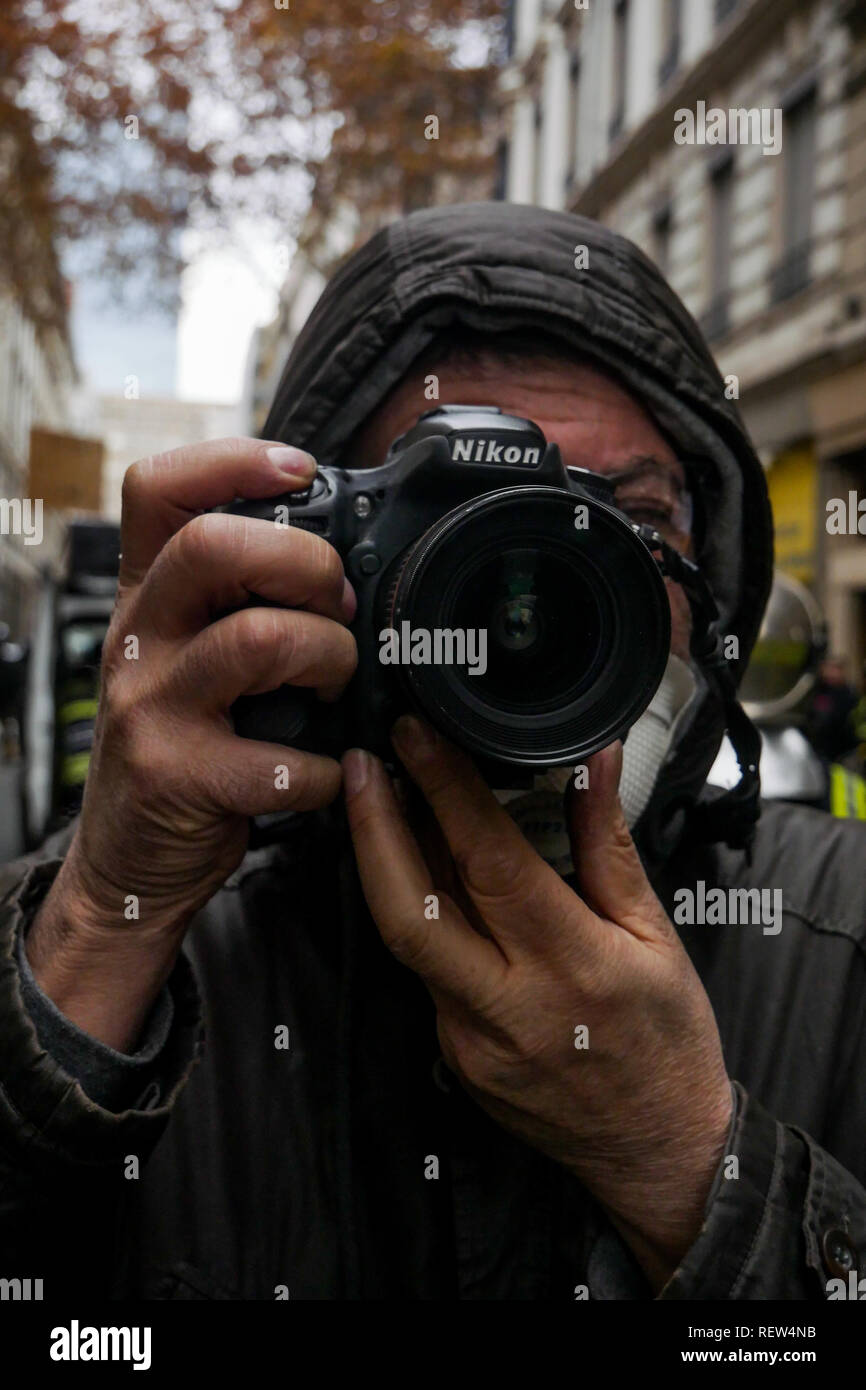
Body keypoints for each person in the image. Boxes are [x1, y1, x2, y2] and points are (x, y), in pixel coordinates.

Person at [1, 203, 864, 1301]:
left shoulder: (843, 933)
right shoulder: (168, 953)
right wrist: (101, 922)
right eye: (466, 524)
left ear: (707, 571)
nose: (537, 584)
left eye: (625, 519)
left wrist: (684, 1157)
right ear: (306, 561)